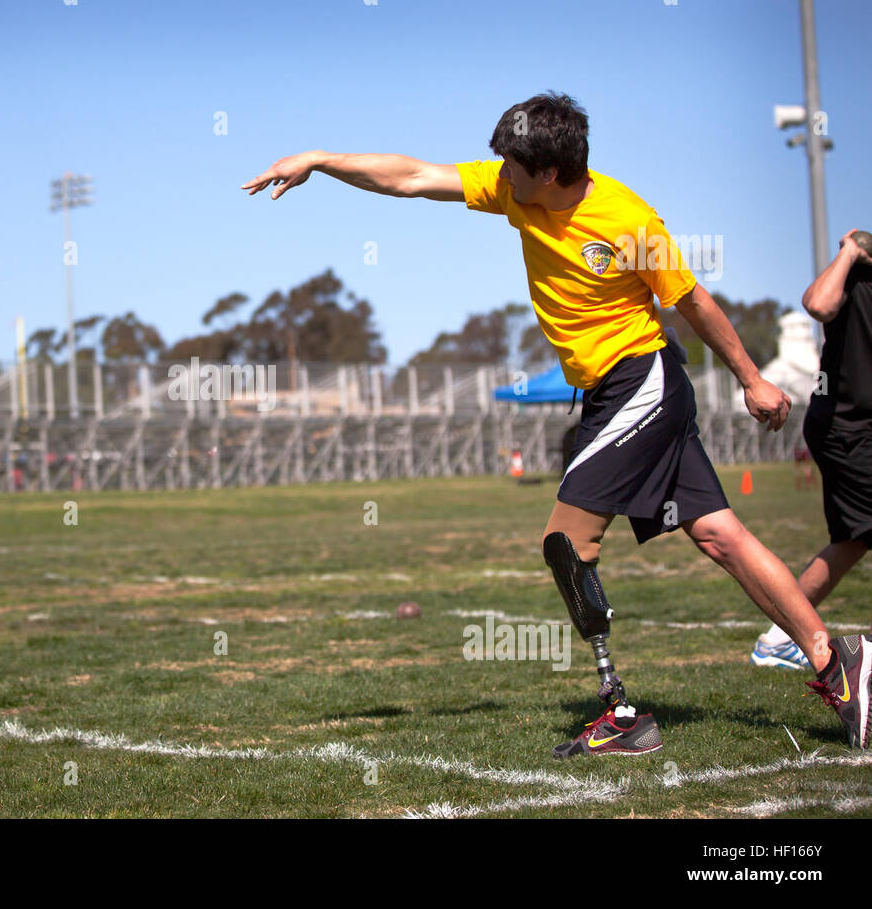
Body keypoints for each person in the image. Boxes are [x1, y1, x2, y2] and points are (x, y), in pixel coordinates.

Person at [243, 93, 872, 755]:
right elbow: (412, 176)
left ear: (548, 171)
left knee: (566, 543)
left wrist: (751, 378)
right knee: (720, 535)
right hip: (611, 391)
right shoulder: (517, 192)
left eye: (509, 165)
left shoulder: (627, 220)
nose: (498, 174)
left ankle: (623, 714)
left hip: (642, 381)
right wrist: (320, 158)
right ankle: (839, 664)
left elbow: (691, 300)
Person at [752, 230, 872, 670]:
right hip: (846, 428)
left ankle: (779, 640)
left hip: (859, 428)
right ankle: (780, 640)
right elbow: (818, 304)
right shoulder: (857, 275)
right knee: (856, 535)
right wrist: (850, 251)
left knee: (853, 539)